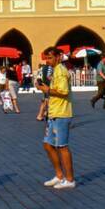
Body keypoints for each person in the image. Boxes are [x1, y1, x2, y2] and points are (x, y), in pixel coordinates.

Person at [36, 47, 75, 188]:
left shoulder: (61, 71)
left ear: (58, 57)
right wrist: (45, 87)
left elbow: (63, 92)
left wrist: (47, 90)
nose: (48, 60)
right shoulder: (55, 71)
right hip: (53, 113)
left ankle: (70, 180)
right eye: (46, 58)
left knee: (62, 146)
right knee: (48, 145)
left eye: (50, 57)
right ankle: (59, 175)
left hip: (62, 113)